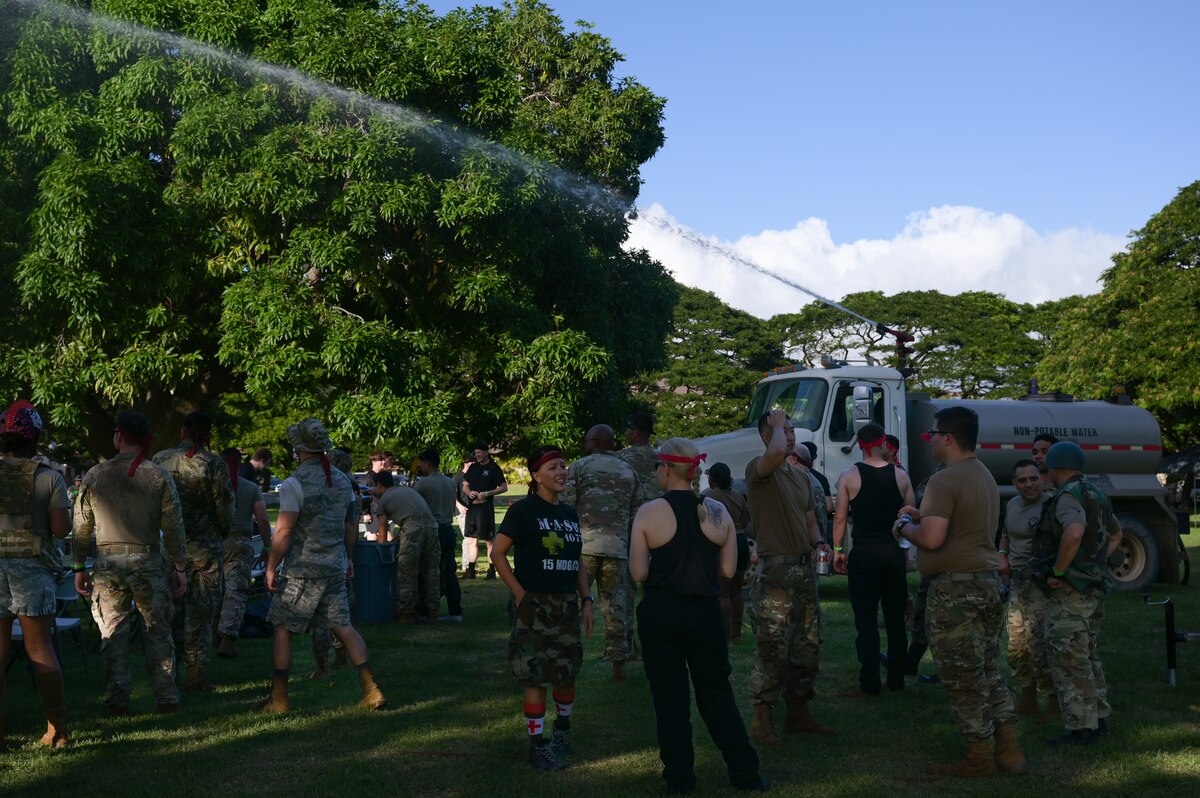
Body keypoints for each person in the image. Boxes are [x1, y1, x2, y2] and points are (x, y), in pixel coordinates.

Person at [630, 438, 768, 793]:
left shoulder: (648, 512)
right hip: (705, 615)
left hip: (662, 613)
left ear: (664, 469)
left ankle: (679, 779)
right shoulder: (717, 512)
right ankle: (745, 773)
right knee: (717, 695)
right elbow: (727, 569)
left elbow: (639, 573)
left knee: (670, 698)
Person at [895, 407, 1025, 776]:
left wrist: (903, 525)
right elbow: (958, 524)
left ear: (948, 438)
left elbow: (933, 539)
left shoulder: (944, 480)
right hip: (985, 584)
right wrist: (921, 515)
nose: (930, 439)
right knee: (987, 669)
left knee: (962, 677)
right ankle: (1010, 750)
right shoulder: (982, 474)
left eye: (933, 434)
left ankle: (978, 757)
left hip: (955, 592)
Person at [257, 418, 385, 712]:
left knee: (282, 628)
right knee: (344, 626)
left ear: (297, 447)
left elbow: (285, 531)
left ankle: (279, 699)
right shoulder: (342, 480)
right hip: (335, 565)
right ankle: (372, 690)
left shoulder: (293, 483)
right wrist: (349, 558)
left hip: (303, 569)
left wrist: (271, 566)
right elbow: (351, 525)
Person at [74, 411, 188, 715]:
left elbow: (81, 525)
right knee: (158, 630)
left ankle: (118, 696)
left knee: (113, 632)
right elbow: (174, 525)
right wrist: (180, 566)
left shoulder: (96, 475)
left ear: (119, 436)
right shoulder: (157, 475)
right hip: (148, 560)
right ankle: (166, 696)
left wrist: (78, 566)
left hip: (109, 564)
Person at [491, 446, 594, 771]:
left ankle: (562, 730)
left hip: (565, 604)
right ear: (536, 476)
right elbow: (497, 554)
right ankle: (538, 746)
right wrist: (520, 593)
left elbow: (576, 560)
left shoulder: (569, 514)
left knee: (566, 671)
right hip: (534, 603)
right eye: (553, 468)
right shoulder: (523, 510)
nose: (561, 472)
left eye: (563, 466)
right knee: (534, 675)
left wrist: (586, 599)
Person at [745, 410, 834, 745]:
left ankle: (798, 714)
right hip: (776, 572)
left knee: (807, 646)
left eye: (793, 428)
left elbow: (811, 521)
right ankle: (762, 720)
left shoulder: (801, 479)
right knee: (772, 647)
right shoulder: (759, 470)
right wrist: (777, 422)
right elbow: (776, 454)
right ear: (768, 436)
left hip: (803, 571)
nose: (791, 434)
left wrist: (821, 543)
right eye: (784, 429)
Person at [1031, 441, 1123, 745]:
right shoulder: (1097, 493)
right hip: (1092, 589)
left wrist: (1059, 571)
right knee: (1089, 656)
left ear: (1054, 469)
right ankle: (1098, 719)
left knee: (1069, 658)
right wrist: (1094, 562)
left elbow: (1073, 532)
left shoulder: (1068, 495)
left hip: (1071, 592)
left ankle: (1081, 729)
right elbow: (1116, 533)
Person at [0, 400, 72, 747]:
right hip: (32, 570)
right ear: (35, 438)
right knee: (40, 649)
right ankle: (56, 730)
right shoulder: (48, 477)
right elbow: (60, 530)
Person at [152, 411, 234, 690]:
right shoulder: (212, 463)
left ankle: (169, 670)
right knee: (200, 612)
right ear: (207, 434)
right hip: (205, 547)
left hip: (169, 547)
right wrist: (221, 532)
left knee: (170, 609)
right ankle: (195, 673)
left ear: (182, 431)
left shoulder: (160, 460)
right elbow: (225, 507)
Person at [831, 423, 915, 698]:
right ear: (882, 445)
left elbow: (841, 517)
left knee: (865, 622)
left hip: (864, 553)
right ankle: (896, 679)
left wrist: (838, 549)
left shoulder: (849, 475)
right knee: (895, 619)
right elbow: (909, 514)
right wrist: (904, 546)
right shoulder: (901, 476)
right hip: (891, 553)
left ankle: (869, 682)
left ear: (859, 445)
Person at [560, 424, 641, 681]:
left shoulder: (580, 467)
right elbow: (638, 509)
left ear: (595, 442)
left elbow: (565, 505)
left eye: (586, 440)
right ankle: (619, 664)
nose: (584, 444)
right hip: (617, 549)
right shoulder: (628, 470)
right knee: (615, 607)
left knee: (571, 601)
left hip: (583, 549)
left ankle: (566, 656)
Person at [998, 459, 1054, 717]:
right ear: (1014, 484)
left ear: (1042, 479)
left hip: (1042, 584)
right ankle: (1028, 696)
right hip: (1018, 583)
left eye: (1034, 478)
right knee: (1016, 644)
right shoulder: (1011, 504)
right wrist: (1002, 555)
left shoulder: (1052, 505)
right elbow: (1006, 533)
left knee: (1041, 643)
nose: (1029, 484)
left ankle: (1053, 699)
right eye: (1022, 480)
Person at [216, 447, 271, 659]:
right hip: (239, 542)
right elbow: (263, 520)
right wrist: (267, 547)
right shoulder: (249, 488)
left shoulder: (209, 486)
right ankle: (227, 638)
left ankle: (208, 634)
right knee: (235, 591)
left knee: (210, 589)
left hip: (212, 541)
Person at [370, 471, 439, 624]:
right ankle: (432, 611)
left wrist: (380, 551)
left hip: (413, 527)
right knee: (431, 569)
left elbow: (381, 532)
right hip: (432, 526)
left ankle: (406, 613)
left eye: (374, 487)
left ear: (379, 485)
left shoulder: (384, 500)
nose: (373, 491)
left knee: (407, 569)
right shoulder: (407, 490)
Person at [700, 462, 751, 641]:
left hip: (724, 543)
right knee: (736, 591)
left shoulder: (708, 496)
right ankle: (736, 632)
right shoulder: (738, 495)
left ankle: (724, 632)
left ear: (711, 478)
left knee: (723, 592)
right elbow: (745, 523)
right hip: (742, 541)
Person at [414, 448, 463, 622]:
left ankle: (425, 611)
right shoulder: (450, 482)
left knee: (428, 571)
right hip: (448, 528)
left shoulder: (423, 483)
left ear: (427, 463)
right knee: (449, 571)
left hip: (432, 529)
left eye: (422, 463)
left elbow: (415, 507)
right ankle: (455, 610)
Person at [463, 444, 508, 580]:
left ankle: (491, 571)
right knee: (472, 540)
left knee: (489, 540)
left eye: (479, 452)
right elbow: (465, 485)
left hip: (485, 508)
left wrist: (487, 493)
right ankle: (471, 571)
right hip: (472, 508)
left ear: (486, 452)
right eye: (476, 452)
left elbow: (504, 487)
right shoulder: (473, 467)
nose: (477, 455)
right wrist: (470, 493)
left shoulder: (494, 468)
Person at [454, 456, 476, 578]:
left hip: (475, 511)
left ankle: (470, 565)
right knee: (468, 538)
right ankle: (466, 565)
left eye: (473, 461)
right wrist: (459, 507)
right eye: (469, 461)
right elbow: (452, 494)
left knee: (473, 539)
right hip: (463, 512)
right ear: (464, 462)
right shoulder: (457, 477)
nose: (472, 463)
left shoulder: (474, 475)